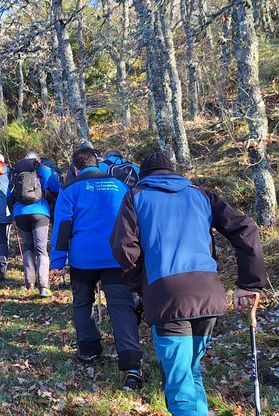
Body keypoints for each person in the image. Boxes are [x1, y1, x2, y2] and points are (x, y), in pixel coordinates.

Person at [110, 151, 267, 415]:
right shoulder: (202, 194)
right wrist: (249, 283)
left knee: (179, 381)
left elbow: (124, 247)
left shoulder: (136, 196)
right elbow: (245, 228)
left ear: (143, 176)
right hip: (208, 294)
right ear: (174, 172)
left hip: (167, 296)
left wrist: (141, 286)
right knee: (190, 371)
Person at [50, 148, 145, 390]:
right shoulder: (119, 186)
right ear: (97, 164)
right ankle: (131, 366)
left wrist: (58, 261)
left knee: (82, 303)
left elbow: (63, 226)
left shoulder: (70, 189)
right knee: (122, 307)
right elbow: (132, 222)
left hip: (83, 259)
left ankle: (89, 350)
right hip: (116, 257)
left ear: (75, 168)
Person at [9, 152, 60, 297]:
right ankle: (44, 286)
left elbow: (9, 195)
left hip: (20, 213)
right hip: (40, 212)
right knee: (41, 249)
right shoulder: (44, 170)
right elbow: (56, 190)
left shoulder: (16, 172)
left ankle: (29, 283)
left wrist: (14, 212)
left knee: (27, 247)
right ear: (37, 160)